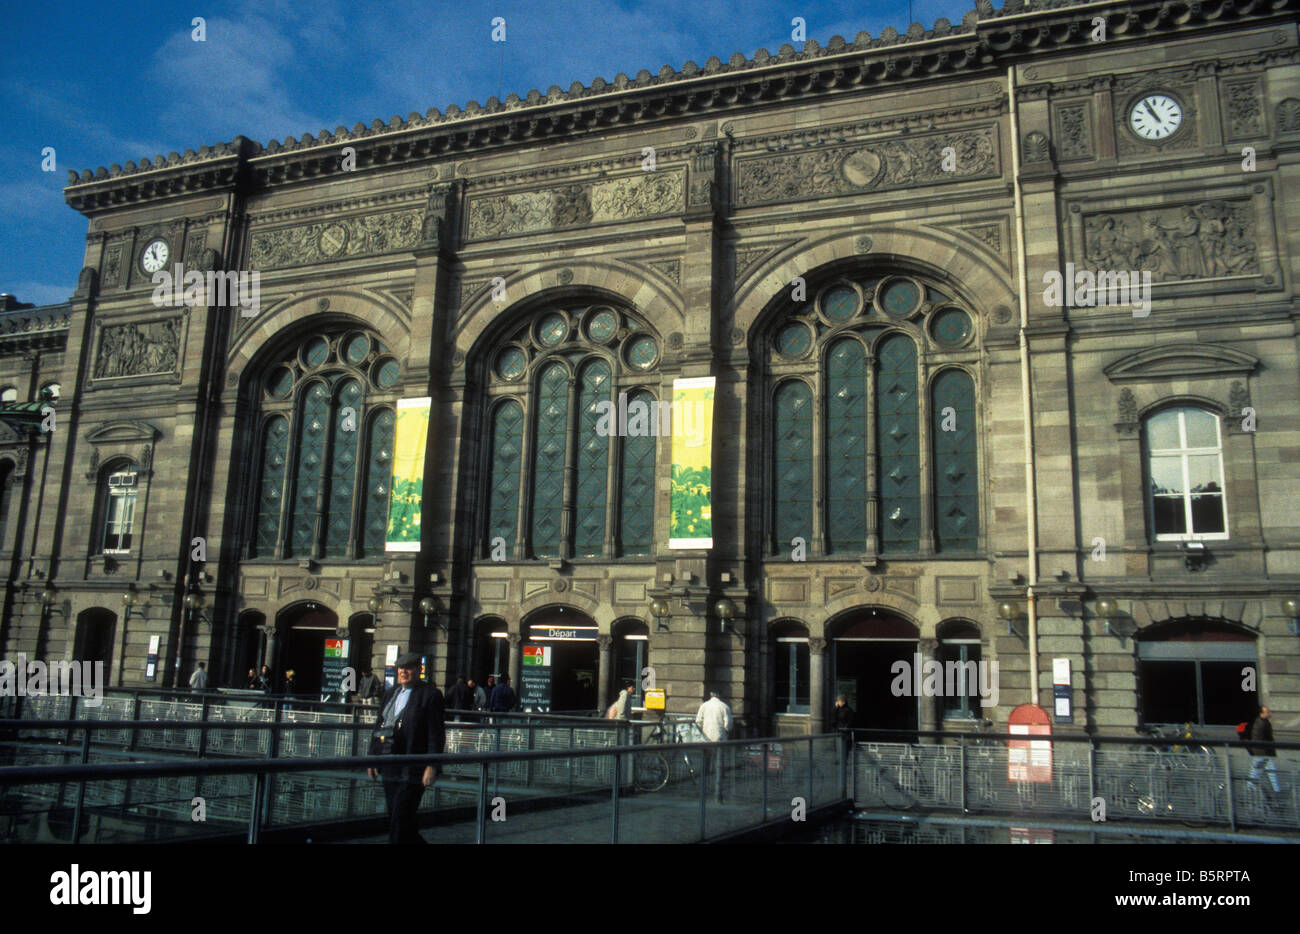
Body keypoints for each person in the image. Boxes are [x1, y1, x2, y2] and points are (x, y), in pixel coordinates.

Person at [366, 653, 446, 844]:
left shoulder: (430, 695)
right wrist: (372, 758)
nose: (403, 672)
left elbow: (436, 733)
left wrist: (432, 765)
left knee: (400, 820)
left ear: (419, 670)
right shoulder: (391, 693)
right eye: (400, 668)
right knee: (400, 820)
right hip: (389, 766)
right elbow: (379, 726)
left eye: (408, 668)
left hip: (413, 768)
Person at [695, 690, 734, 802]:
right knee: (719, 759)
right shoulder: (724, 706)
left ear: (710, 695)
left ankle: (705, 778)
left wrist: (703, 730)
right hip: (719, 737)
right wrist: (726, 731)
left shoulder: (704, 705)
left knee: (706, 759)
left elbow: (698, 721)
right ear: (719, 695)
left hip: (706, 737)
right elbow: (728, 724)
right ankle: (718, 780)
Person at [1246, 705, 1281, 798]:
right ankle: (1277, 791)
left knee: (1256, 772)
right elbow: (1260, 740)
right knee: (1270, 771)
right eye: (1267, 712)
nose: (1269, 713)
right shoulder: (1261, 724)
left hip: (1262, 753)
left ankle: (1249, 790)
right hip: (1263, 753)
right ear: (1261, 714)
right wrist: (1267, 752)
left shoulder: (1263, 722)